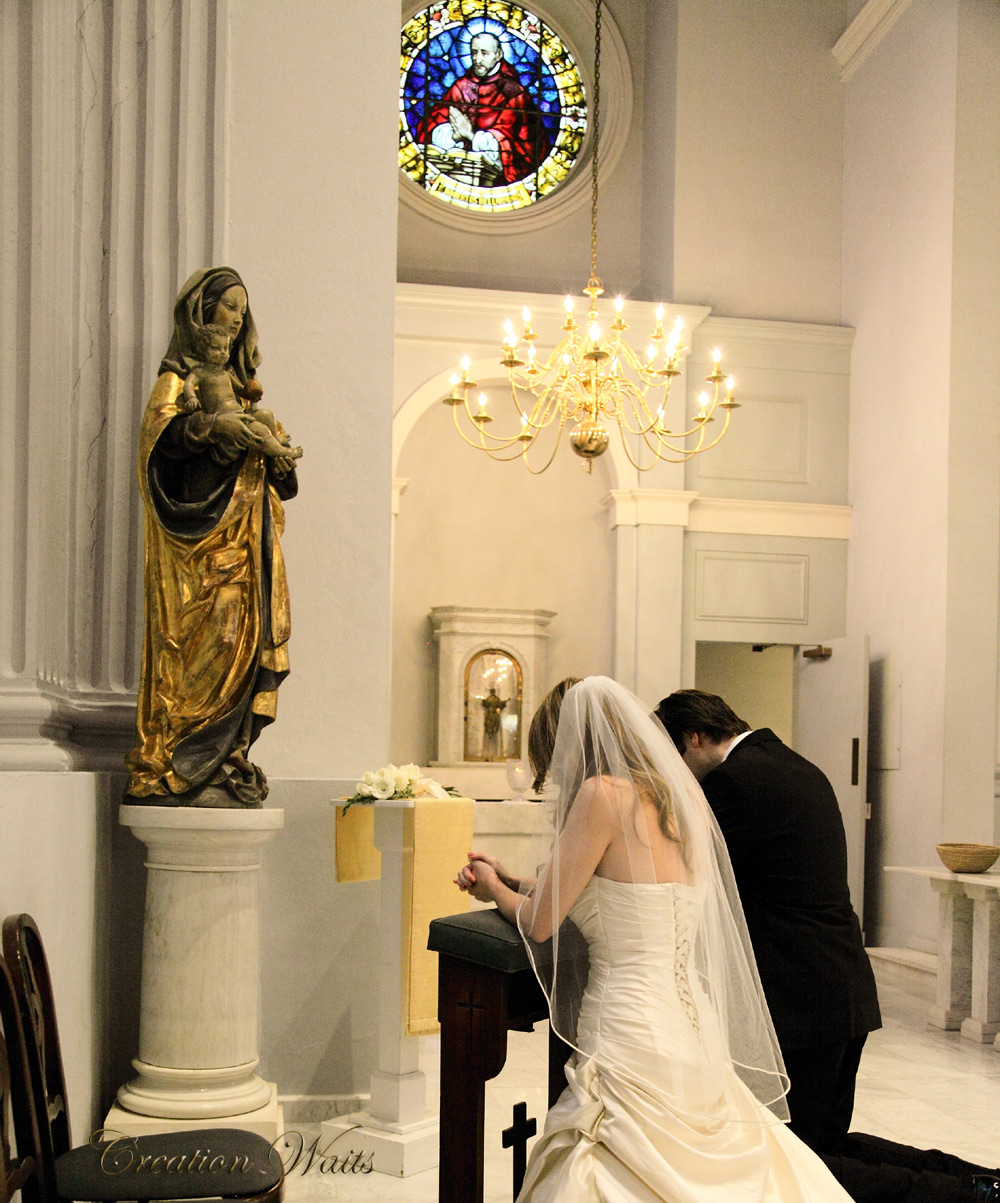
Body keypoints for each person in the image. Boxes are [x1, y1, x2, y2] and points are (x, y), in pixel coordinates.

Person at [456, 676, 856, 1202]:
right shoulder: (679, 795)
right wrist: (522, 880)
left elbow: (539, 924)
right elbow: (625, 889)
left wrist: (491, 890)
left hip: (628, 1020)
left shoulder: (602, 794)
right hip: (690, 1023)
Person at [654, 689, 999, 1203]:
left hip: (800, 998)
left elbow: (686, 876)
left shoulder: (734, 781)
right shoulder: (792, 763)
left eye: (672, 759)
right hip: (839, 988)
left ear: (694, 738)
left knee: (798, 1157)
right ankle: (975, 1179)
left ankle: (969, 1193)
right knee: (820, 1146)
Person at [124, 266, 298, 809]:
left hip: (246, 546)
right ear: (201, 312)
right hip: (196, 544)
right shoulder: (180, 381)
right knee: (207, 640)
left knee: (242, 645)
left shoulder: (248, 399)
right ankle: (180, 762)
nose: (237, 317)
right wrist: (211, 428)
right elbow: (159, 441)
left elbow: (287, 487)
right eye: (228, 306)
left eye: (242, 311)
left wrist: (273, 450)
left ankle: (226, 760)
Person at [421, 31, 549, 184]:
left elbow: (518, 145)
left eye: (484, 53)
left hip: (497, 179)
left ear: (498, 55)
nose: (478, 59)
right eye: (474, 53)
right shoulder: (460, 87)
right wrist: (453, 136)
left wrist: (471, 136)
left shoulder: (513, 93)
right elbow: (431, 123)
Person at [180, 323, 302, 463]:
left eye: (225, 348)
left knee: (266, 415)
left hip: (241, 412)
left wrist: (251, 391)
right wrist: (191, 397)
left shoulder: (226, 374)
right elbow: (189, 384)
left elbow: (241, 390)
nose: (222, 352)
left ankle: (276, 439)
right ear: (203, 349)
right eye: (216, 348)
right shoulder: (200, 373)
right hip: (227, 417)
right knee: (260, 431)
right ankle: (282, 452)